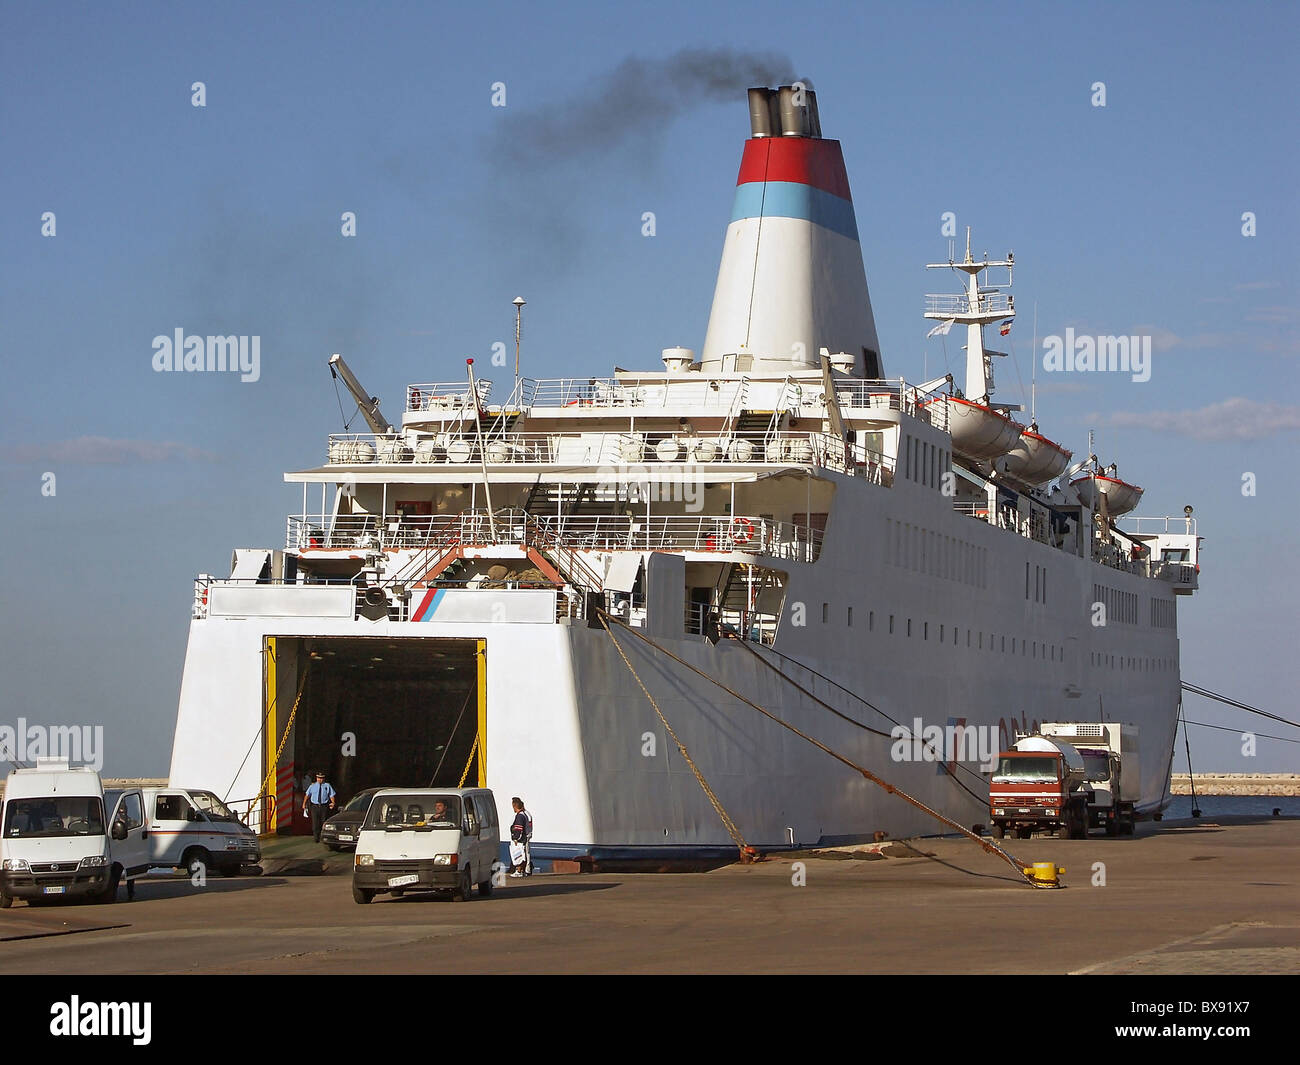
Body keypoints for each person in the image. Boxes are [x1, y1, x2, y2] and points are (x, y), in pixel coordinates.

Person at [302, 771, 336, 843]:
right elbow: (307, 795)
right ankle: (316, 837)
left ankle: (322, 836)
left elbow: (331, 795)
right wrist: (304, 804)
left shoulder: (327, 786)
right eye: (318, 778)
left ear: (324, 779)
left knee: (323, 821)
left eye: (321, 778)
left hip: (324, 806)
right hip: (314, 806)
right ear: (316, 778)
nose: (320, 779)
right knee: (315, 823)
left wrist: (333, 802)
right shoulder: (312, 786)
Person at [509, 797, 533, 877]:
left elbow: (518, 828)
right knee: (524, 854)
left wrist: (516, 838)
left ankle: (519, 871)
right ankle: (525, 870)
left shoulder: (520, 816)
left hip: (521, 839)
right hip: (525, 837)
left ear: (515, 806)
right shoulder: (526, 814)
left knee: (518, 854)